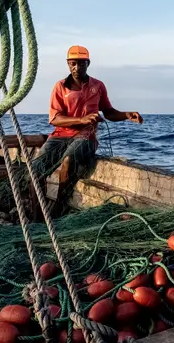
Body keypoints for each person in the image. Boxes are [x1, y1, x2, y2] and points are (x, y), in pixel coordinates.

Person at [32, 45, 143, 215]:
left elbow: (108, 112)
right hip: (60, 136)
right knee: (36, 168)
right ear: (68, 64)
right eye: (73, 63)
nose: (77, 67)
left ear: (88, 64)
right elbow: (55, 118)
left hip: (86, 136)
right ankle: (36, 214)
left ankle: (58, 208)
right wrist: (81, 119)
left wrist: (127, 114)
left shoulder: (98, 86)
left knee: (68, 161)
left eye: (81, 64)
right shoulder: (60, 87)